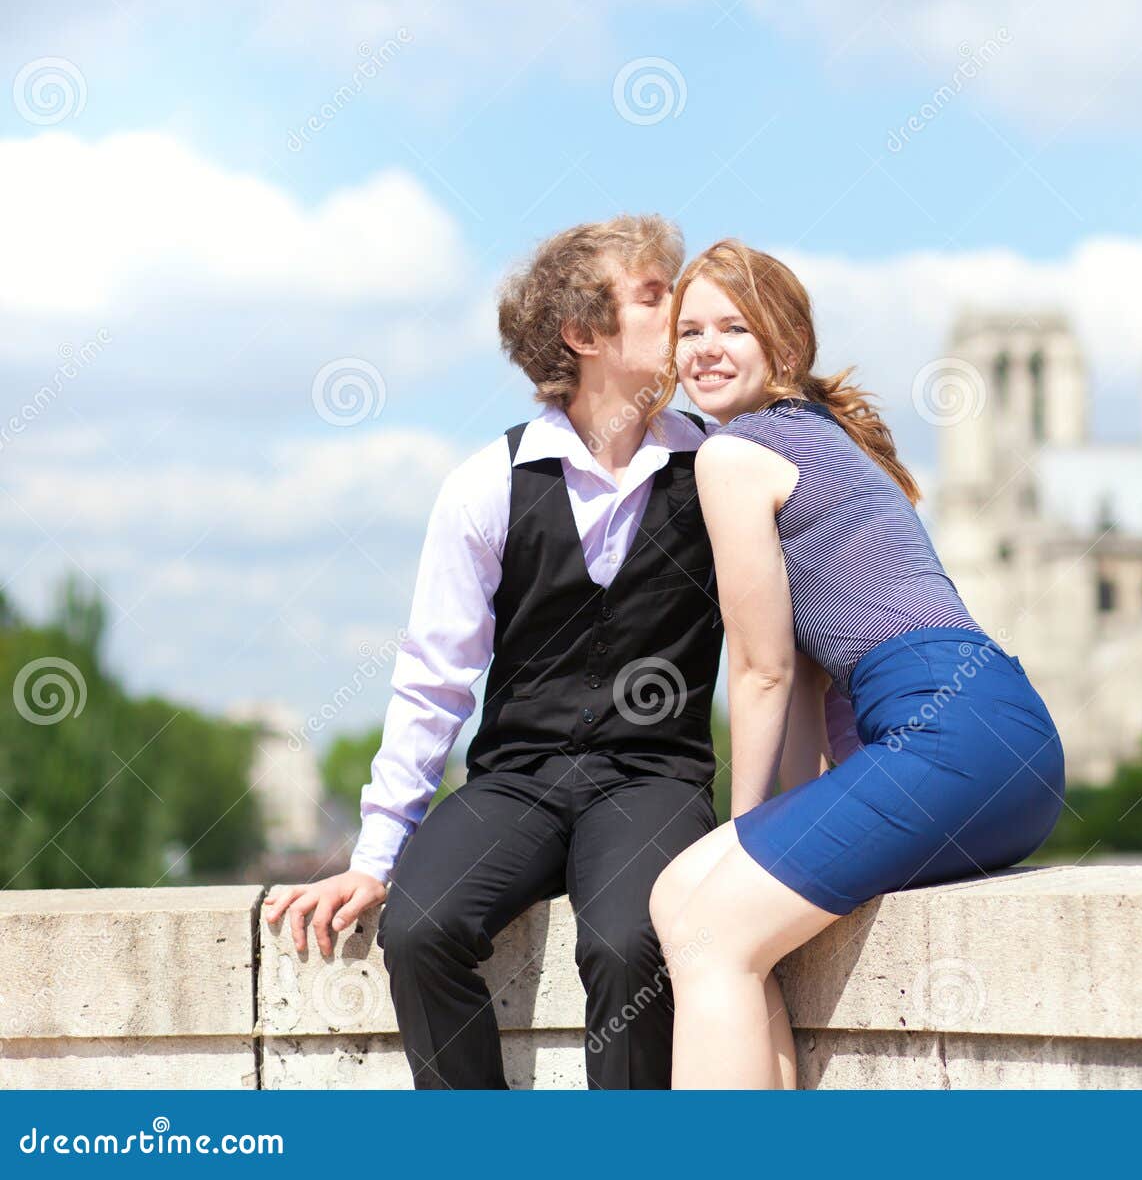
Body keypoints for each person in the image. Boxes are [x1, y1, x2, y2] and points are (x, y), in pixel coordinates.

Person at [264, 213, 724, 1090]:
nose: (683, 311)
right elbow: (434, 682)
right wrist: (374, 856)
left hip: (655, 778)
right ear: (582, 331)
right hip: (519, 778)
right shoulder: (486, 484)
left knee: (630, 944)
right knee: (420, 928)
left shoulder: (716, 465)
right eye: (655, 295)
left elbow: (783, 647)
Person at [646, 239, 1067, 1089]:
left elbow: (761, 670)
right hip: (1004, 738)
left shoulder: (732, 454)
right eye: (690, 331)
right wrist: (762, 837)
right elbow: (804, 690)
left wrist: (744, 831)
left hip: (947, 737)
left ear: (785, 344)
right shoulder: (826, 438)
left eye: (734, 327)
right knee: (678, 894)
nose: (706, 349)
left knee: (711, 928)